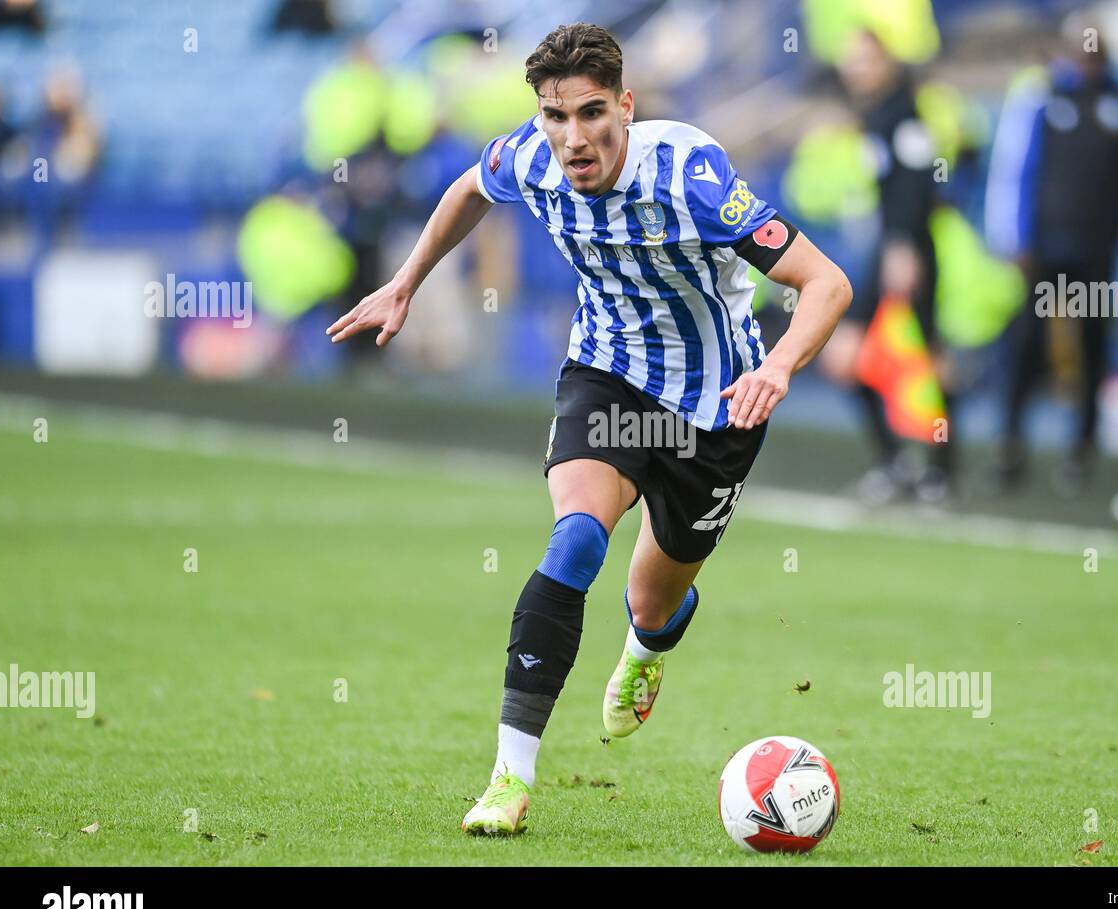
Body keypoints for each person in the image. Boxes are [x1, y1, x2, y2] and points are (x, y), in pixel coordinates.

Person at [325, 23, 852, 835]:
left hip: (716, 406)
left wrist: (777, 367)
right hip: (607, 378)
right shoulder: (531, 157)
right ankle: (509, 777)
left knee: (651, 597)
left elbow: (825, 282)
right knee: (575, 541)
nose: (573, 138)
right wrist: (405, 282)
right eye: (554, 116)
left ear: (626, 107)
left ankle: (647, 645)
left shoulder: (691, 176)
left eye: (593, 113)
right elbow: (468, 188)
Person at [985, 23, 1118, 493]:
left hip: (1098, 250)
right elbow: (1016, 169)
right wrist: (1013, 236)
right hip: (1044, 250)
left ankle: (1081, 450)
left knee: (1091, 348)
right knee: (1028, 345)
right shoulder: (1041, 99)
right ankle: (1009, 443)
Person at [836, 27, 952, 505]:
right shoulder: (878, 115)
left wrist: (904, 247)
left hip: (908, 255)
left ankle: (940, 469)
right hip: (886, 251)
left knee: (926, 364)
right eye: (852, 60)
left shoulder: (904, 117)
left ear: (887, 64)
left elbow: (919, 186)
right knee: (853, 360)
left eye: (865, 59)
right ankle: (901, 464)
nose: (856, 69)